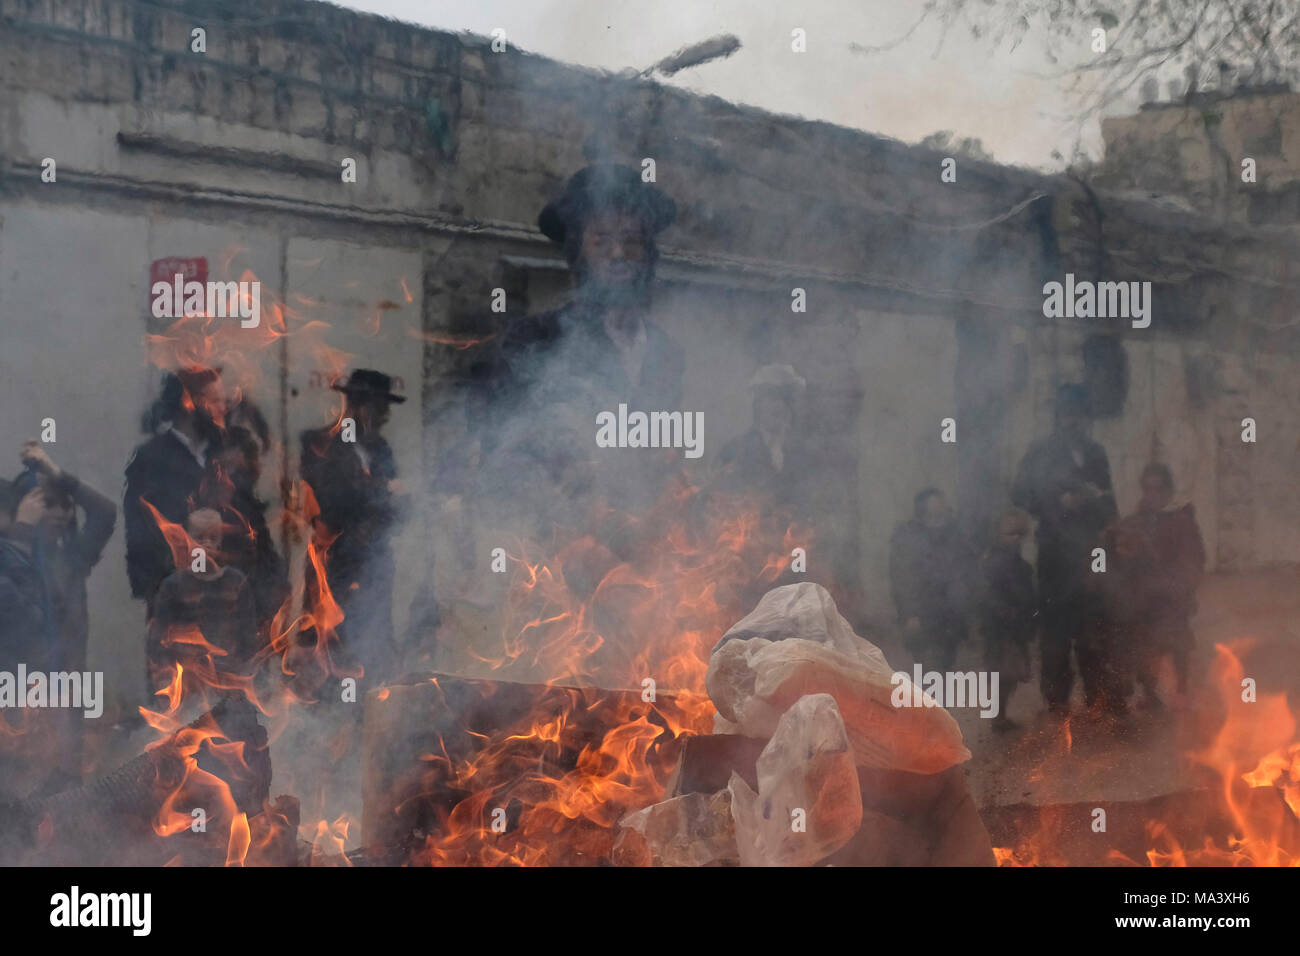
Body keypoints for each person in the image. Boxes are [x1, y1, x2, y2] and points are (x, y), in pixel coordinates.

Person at [9, 444, 116, 784]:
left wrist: (57, 474)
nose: (58, 513)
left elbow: (105, 513)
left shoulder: (72, 559)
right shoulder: (12, 555)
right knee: (22, 784)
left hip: (67, 691)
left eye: (65, 506)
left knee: (67, 783)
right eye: (47, 503)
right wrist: (22, 529)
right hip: (18, 695)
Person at [1012, 384, 1119, 717]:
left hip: (1091, 552)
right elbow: (1020, 494)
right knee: (1055, 630)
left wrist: (1092, 503)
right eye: (1066, 414)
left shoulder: (1095, 453)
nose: (1072, 421)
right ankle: (1057, 702)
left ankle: (1096, 697)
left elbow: (1108, 501)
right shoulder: (1039, 452)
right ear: (1057, 417)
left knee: (1093, 626)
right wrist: (1057, 501)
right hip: (1055, 553)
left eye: (1078, 415)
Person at [299, 369, 408, 682]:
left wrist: (382, 497)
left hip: (374, 559)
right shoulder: (328, 445)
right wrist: (379, 491)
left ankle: (369, 701)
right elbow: (334, 501)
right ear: (363, 406)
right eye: (380, 406)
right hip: (338, 561)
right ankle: (337, 703)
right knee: (337, 639)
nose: (385, 415)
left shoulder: (380, 448)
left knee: (375, 638)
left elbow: (392, 503)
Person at [124, 367, 227, 611]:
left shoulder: (224, 454)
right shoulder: (151, 459)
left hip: (226, 600)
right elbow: (141, 537)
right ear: (187, 404)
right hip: (178, 603)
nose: (223, 409)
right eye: (214, 401)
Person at [147, 508, 258, 702]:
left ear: (220, 542)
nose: (206, 544)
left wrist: (239, 675)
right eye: (199, 538)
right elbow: (158, 641)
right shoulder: (174, 586)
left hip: (227, 683)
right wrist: (171, 676)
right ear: (188, 541)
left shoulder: (236, 582)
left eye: (213, 538)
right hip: (187, 684)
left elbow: (248, 637)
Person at [1118, 463, 1205, 708]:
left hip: (1173, 596)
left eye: (1158, 489)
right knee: (1146, 646)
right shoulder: (1135, 523)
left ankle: (1181, 691)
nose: (1153, 495)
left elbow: (1194, 559)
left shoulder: (1182, 522)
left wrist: (1180, 586)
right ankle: (1149, 693)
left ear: (1168, 492)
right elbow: (1123, 557)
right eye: (1148, 489)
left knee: (1178, 643)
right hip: (1145, 598)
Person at [889, 488, 975, 672]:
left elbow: (965, 574)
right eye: (935, 507)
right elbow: (903, 581)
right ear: (922, 511)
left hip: (950, 620)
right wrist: (910, 614)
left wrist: (965, 613)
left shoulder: (954, 535)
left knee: (945, 666)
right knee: (930, 670)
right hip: (923, 618)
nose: (942, 509)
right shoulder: (908, 540)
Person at [977, 509, 1037, 731]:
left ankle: (999, 716)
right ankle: (998, 717)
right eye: (1009, 534)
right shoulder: (991, 562)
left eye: (1019, 534)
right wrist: (1005, 613)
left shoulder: (1020, 564)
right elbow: (986, 595)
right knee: (1001, 673)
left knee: (1010, 675)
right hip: (999, 628)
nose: (1015, 538)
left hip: (1015, 625)